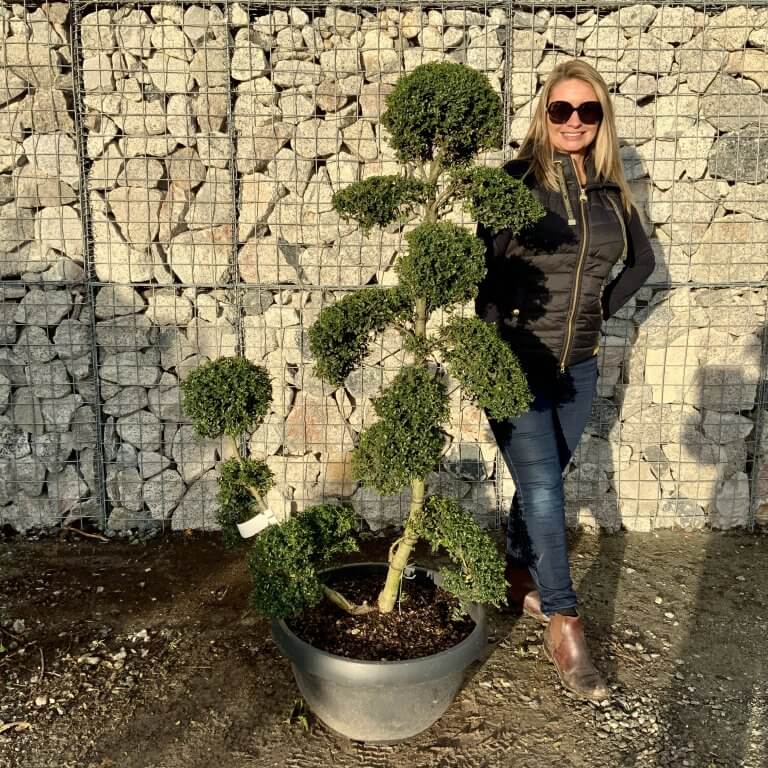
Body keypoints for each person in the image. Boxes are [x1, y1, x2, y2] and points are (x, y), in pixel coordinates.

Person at [476, 59, 655, 702]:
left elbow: (642, 263)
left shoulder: (612, 193)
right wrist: (497, 341)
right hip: (519, 363)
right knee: (547, 489)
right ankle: (564, 618)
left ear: (600, 119)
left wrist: (598, 313)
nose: (574, 122)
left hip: (579, 364)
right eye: (561, 110)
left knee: (542, 482)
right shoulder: (514, 183)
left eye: (587, 112)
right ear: (543, 115)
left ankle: (517, 574)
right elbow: (483, 273)